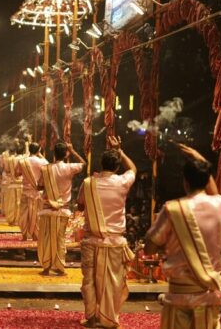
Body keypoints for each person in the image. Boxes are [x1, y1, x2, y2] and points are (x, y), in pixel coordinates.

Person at [144, 143, 221, 329]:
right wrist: (201, 159)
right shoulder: (220, 204)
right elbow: (214, 193)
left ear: (185, 182)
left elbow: (149, 247)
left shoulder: (172, 209)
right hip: (207, 296)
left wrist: (165, 246)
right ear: (207, 179)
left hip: (179, 296)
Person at [77, 136, 137, 328]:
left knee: (89, 281)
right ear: (117, 167)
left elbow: (79, 206)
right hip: (115, 242)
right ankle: (109, 318)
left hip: (91, 241)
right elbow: (133, 169)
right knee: (113, 282)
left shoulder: (88, 183)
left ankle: (91, 318)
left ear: (100, 164)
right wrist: (120, 150)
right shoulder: (122, 182)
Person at [38, 142, 85, 276]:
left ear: (54, 154)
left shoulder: (45, 169)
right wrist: (73, 150)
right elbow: (84, 163)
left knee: (46, 239)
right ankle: (59, 267)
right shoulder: (69, 168)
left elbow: (39, 186)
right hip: (62, 211)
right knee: (60, 240)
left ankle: (46, 267)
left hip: (47, 210)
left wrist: (48, 187)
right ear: (66, 154)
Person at [14, 142, 48, 241]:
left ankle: (24, 235)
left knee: (24, 213)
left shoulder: (22, 161)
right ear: (39, 151)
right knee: (37, 214)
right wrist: (40, 155)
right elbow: (49, 168)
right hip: (38, 192)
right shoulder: (42, 162)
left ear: (29, 150)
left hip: (26, 190)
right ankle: (35, 235)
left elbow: (16, 174)